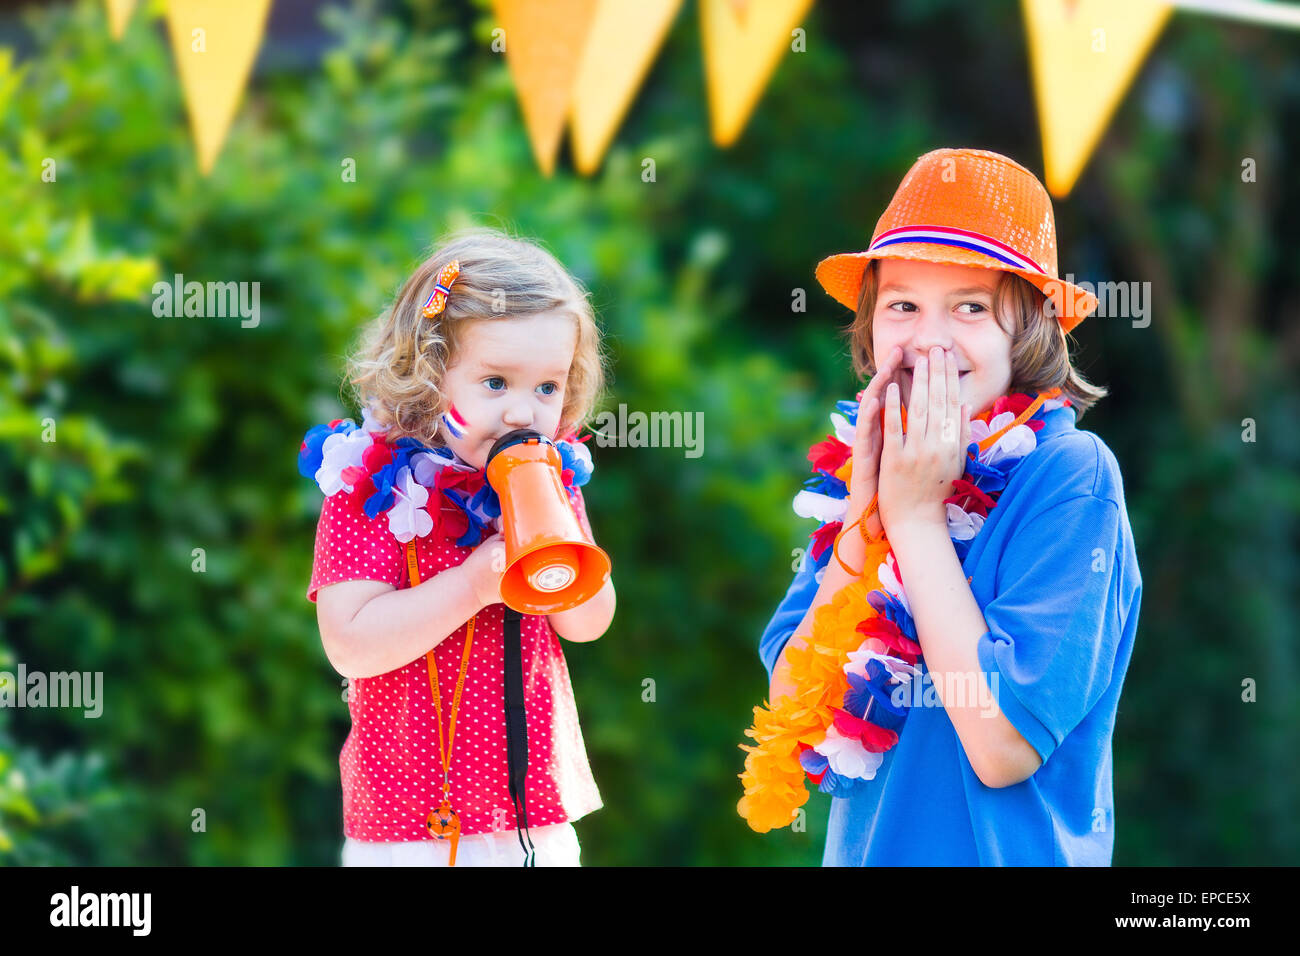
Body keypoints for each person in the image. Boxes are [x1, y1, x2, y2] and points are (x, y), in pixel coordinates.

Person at [741, 147, 1142, 865]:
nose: (928, 338)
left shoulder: (1070, 476)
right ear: (869, 333)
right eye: (902, 306)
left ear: (1030, 332)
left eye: (970, 307)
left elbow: (1001, 747)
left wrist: (918, 523)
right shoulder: (873, 479)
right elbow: (793, 714)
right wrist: (867, 519)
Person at [299, 228, 614, 866]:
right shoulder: (368, 486)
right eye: (495, 383)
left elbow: (588, 621)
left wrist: (555, 545)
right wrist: (474, 584)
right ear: (427, 372)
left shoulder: (547, 479)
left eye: (547, 388)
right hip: (409, 826)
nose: (524, 413)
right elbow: (350, 644)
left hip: (533, 817)